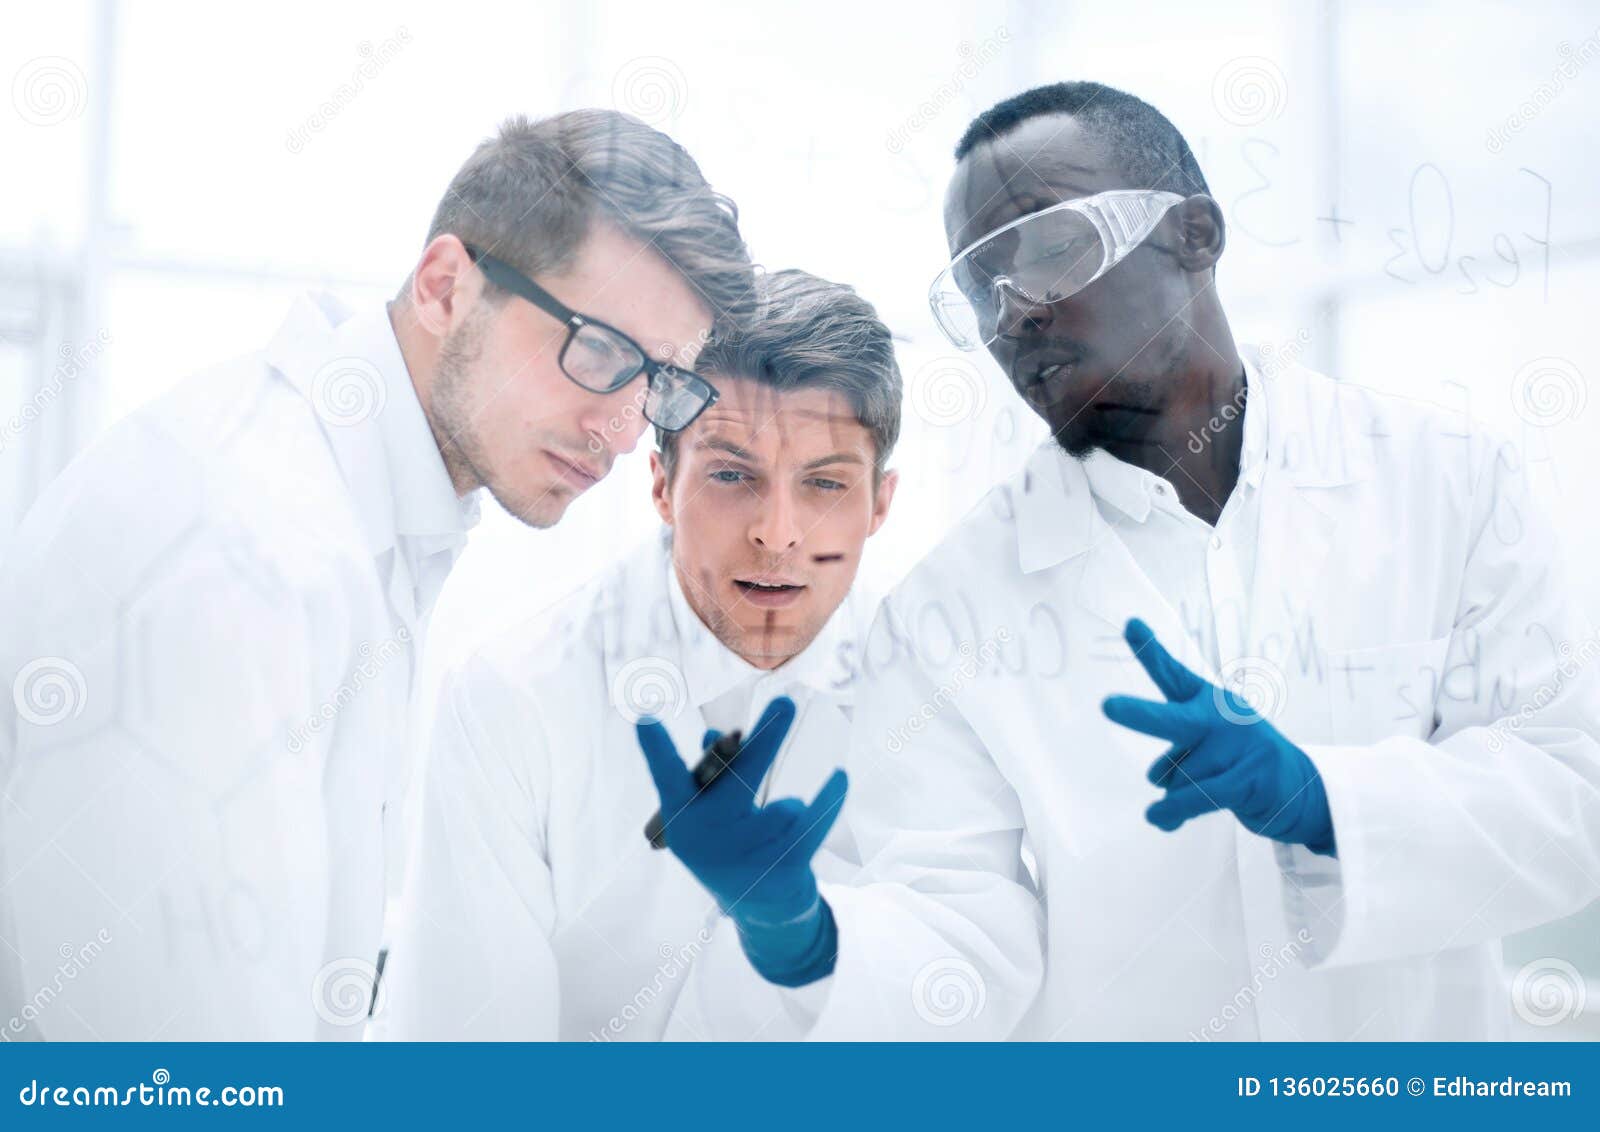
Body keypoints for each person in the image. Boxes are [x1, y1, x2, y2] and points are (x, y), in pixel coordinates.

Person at [659, 80, 1600, 1041]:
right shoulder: (948, 610)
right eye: (981, 285)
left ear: (1195, 234)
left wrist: (1323, 802)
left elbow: (1571, 802)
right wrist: (802, 938)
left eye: (1053, 247)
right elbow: (955, 925)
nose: (1014, 310)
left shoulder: (1446, 483)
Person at [0, 110, 754, 1040]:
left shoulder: (365, 520)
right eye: (599, 351)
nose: (623, 424)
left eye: (660, 383)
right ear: (445, 287)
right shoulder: (240, 543)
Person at [385, 269, 901, 1040]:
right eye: (731, 475)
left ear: (880, 507)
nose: (778, 532)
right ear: (662, 484)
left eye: (825, 483)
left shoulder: (945, 699)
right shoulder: (513, 693)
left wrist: (803, 944)